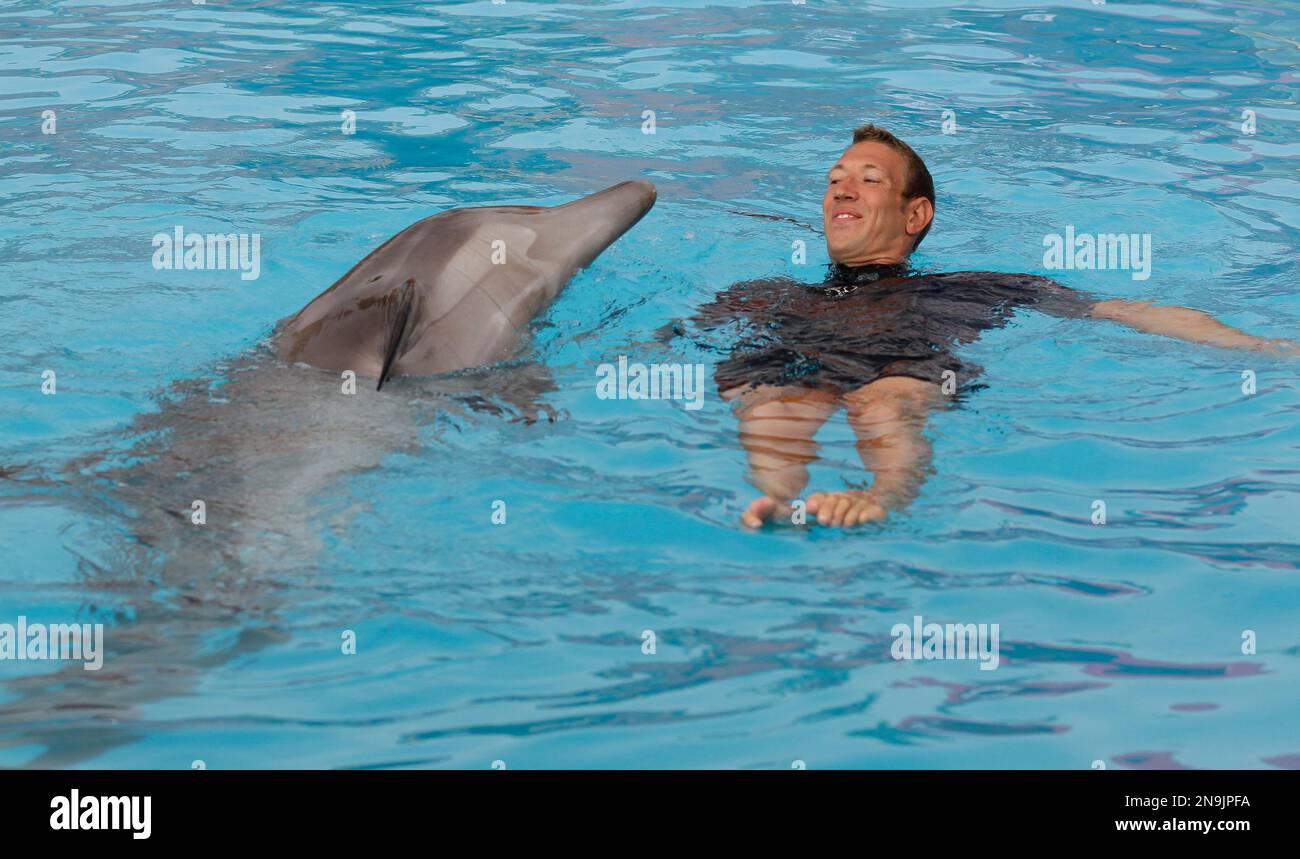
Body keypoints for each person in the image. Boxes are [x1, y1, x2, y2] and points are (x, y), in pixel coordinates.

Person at [673, 124, 1299, 529]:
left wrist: (1260, 345)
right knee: (768, 400)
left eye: (868, 181)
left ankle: (880, 499)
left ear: (915, 213)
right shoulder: (767, 294)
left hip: (902, 364)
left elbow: (1122, 310)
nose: (843, 190)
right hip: (797, 356)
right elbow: (658, 340)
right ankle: (778, 501)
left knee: (888, 405)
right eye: (834, 182)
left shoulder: (974, 288)